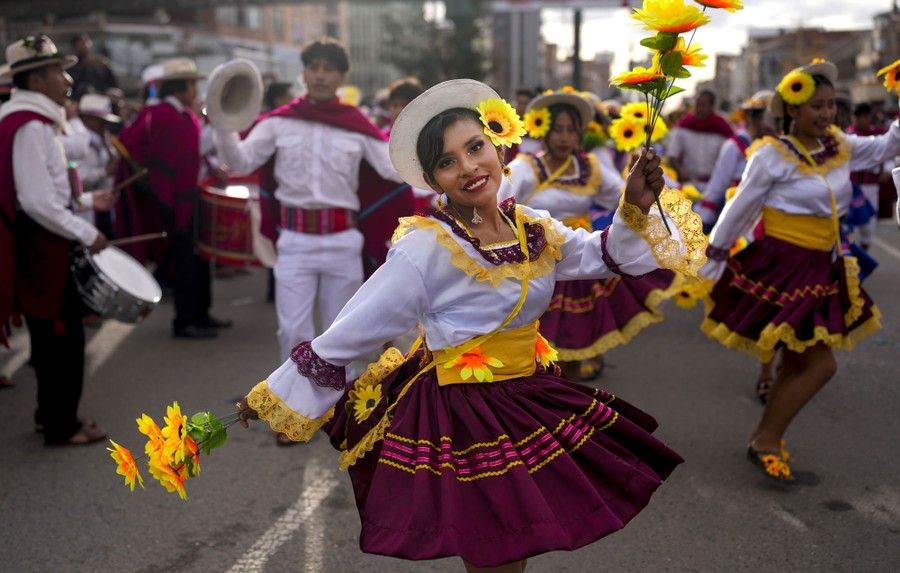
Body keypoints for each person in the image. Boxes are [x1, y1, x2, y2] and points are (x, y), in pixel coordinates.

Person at [236, 79, 704, 572]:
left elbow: (602, 255)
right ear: (434, 181)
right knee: (498, 551)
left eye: (475, 147)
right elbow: (352, 330)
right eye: (447, 161)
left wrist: (634, 204)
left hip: (527, 396)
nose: (469, 167)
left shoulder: (533, 227)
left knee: (513, 549)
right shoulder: (426, 247)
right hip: (464, 416)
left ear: (498, 148)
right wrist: (272, 395)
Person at [700, 60, 899, 483]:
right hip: (783, 266)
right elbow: (741, 208)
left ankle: (764, 438)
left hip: (823, 266)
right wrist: (713, 259)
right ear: (793, 110)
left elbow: (885, 147)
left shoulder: (839, 146)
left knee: (798, 360)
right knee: (820, 364)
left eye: (831, 106)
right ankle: (766, 439)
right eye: (817, 107)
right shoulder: (772, 155)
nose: (827, 115)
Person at [212, 37, 407, 364]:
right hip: (295, 242)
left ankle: (338, 412)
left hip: (343, 242)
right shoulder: (279, 122)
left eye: (328, 69)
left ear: (343, 77)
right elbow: (242, 161)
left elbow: (395, 170)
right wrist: (223, 122)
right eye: (313, 68)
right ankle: (295, 412)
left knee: (343, 335)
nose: (319, 76)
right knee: (292, 334)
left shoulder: (358, 125)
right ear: (303, 73)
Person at [500, 88, 682, 381]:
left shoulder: (591, 167)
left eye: (571, 130)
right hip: (534, 267)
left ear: (580, 135)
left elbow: (625, 198)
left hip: (578, 263)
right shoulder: (525, 167)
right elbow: (498, 207)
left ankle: (565, 413)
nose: (564, 137)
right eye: (557, 129)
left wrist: (649, 177)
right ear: (543, 130)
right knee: (531, 356)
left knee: (572, 352)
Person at [0, 34, 109, 444]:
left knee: (49, 335)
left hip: (38, 238)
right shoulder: (30, 126)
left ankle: (52, 416)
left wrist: (80, 203)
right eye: (58, 71)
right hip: (41, 243)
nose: (67, 79)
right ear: (38, 78)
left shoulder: (25, 121)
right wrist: (87, 230)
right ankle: (61, 425)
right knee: (61, 337)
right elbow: (37, 200)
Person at [114, 58, 231, 339]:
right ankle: (186, 320)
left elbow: (194, 152)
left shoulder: (185, 115)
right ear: (179, 87)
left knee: (201, 258)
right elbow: (167, 162)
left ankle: (202, 313)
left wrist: (214, 165)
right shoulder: (166, 115)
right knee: (186, 262)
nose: (194, 90)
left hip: (192, 195)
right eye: (191, 84)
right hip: (179, 200)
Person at [70, 93, 119, 235]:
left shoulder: (104, 140)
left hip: (103, 208)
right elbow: (78, 179)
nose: (105, 126)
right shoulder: (76, 143)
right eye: (101, 121)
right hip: (85, 211)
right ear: (88, 119)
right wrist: (104, 172)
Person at [667, 90, 733, 190]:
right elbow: (672, 155)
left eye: (703, 105)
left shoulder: (721, 127)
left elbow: (728, 159)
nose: (699, 109)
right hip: (687, 184)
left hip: (714, 185)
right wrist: (681, 171)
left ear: (712, 106)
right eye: (697, 104)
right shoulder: (684, 126)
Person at [847, 102, 891, 250]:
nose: (863, 120)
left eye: (866, 116)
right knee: (847, 222)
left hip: (871, 184)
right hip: (851, 186)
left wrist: (888, 168)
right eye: (860, 116)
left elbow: (889, 152)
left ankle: (860, 260)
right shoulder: (848, 135)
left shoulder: (878, 134)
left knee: (869, 225)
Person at [67, 34, 117, 99]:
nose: (84, 45)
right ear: (75, 47)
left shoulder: (98, 63)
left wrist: (107, 69)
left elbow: (113, 84)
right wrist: (84, 66)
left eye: (86, 42)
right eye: (81, 43)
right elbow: (73, 84)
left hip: (102, 98)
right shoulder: (71, 63)